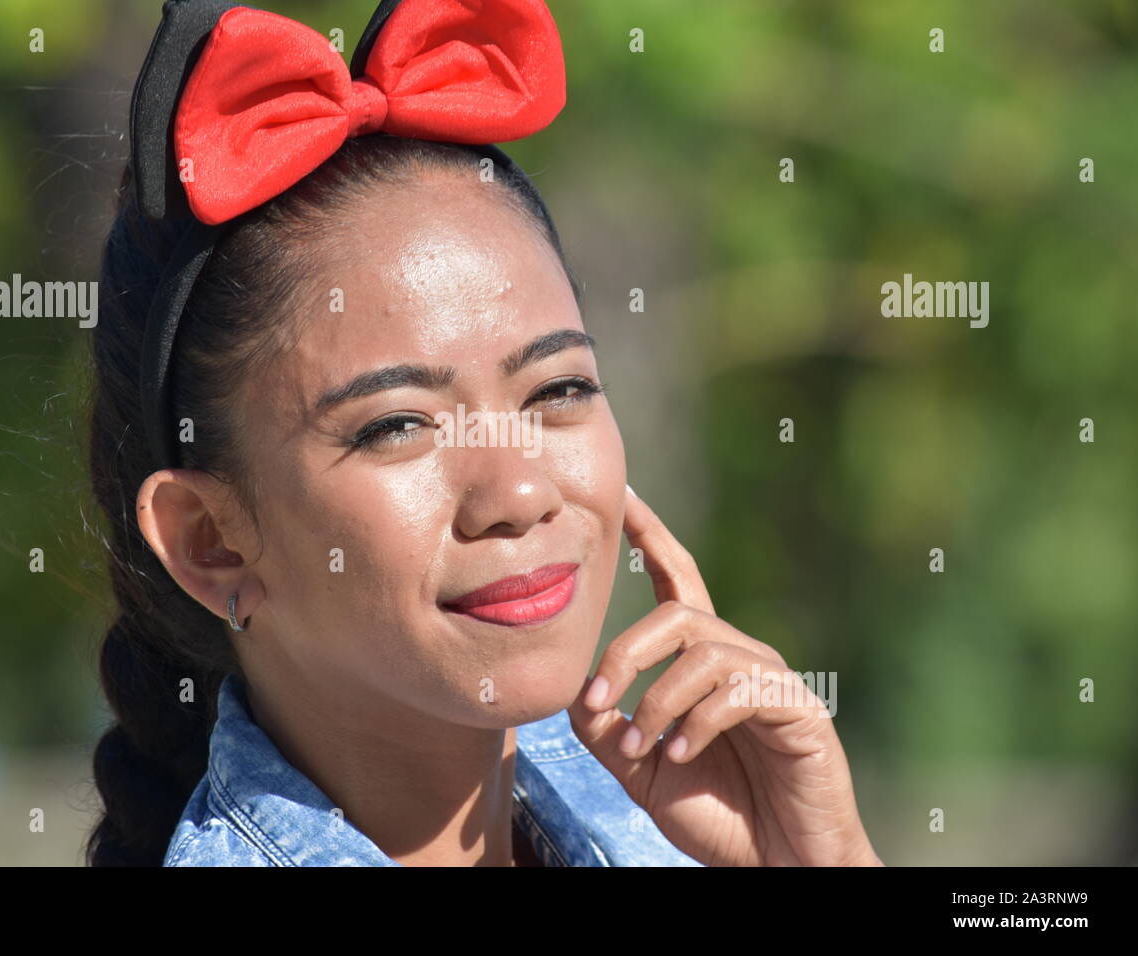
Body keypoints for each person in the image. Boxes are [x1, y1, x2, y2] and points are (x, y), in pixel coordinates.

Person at [85, 0, 883, 867]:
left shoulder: (683, 823)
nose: (521, 493)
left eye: (559, 388)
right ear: (211, 542)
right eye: (397, 426)